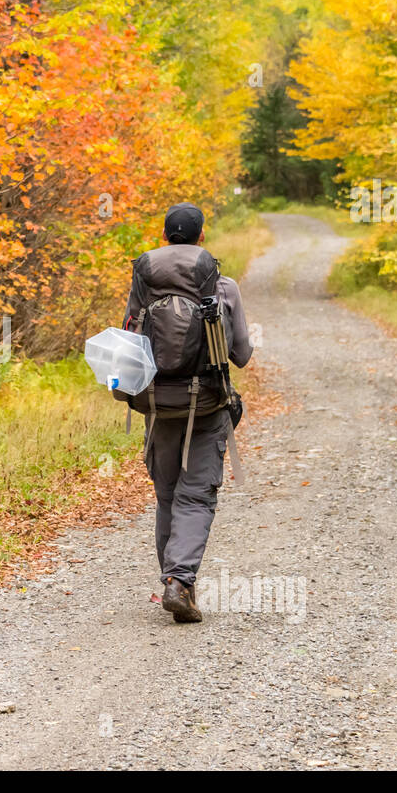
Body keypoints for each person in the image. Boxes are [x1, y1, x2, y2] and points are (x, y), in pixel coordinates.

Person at [121, 203, 253, 622]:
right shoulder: (222, 284)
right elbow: (242, 355)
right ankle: (180, 582)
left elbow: (129, 341)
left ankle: (174, 582)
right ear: (201, 237)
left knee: (167, 494)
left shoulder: (143, 281)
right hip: (209, 402)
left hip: (157, 404)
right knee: (196, 495)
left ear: (165, 236)